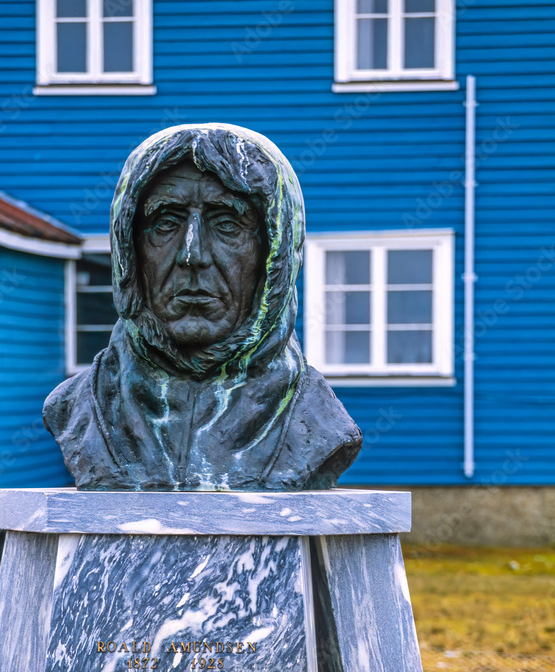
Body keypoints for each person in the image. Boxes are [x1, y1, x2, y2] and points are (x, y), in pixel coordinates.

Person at [44, 123, 362, 490]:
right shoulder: (77, 407)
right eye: (166, 222)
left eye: (227, 223)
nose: (192, 255)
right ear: (131, 252)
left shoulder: (318, 423)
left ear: (272, 256)